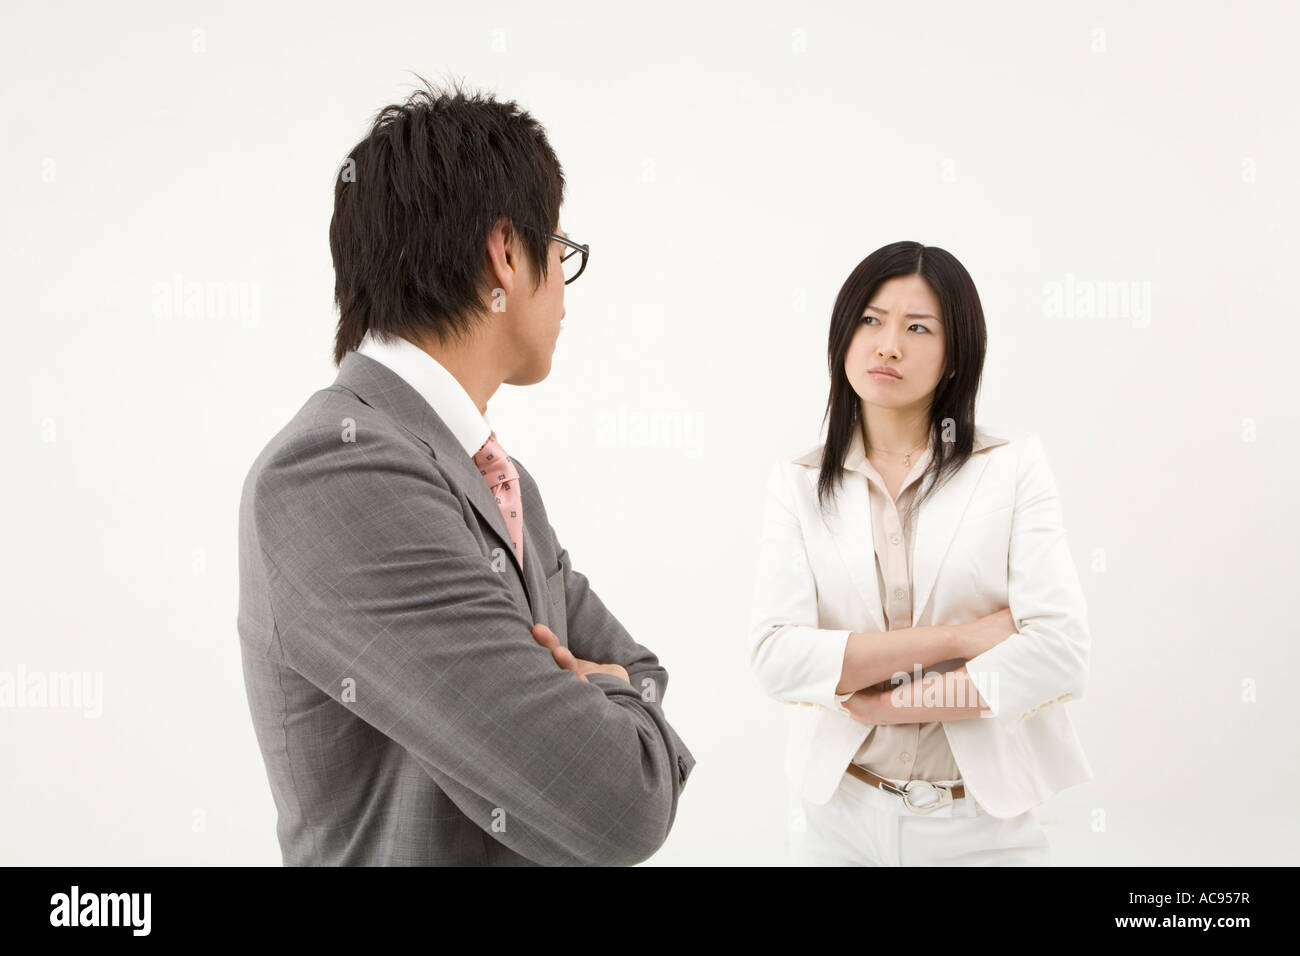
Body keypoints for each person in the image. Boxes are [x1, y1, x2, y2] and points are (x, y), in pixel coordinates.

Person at [237, 78, 695, 866]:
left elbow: (646, 672)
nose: (564, 290)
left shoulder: (499, 477)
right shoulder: (336, 469)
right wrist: (607, 696)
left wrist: (607, 689)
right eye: (561, 255)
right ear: (507, 254)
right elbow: (624, 799)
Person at [747, 240, 1092, 866]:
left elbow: (1059, 652)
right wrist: (960, 640)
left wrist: (888, 703)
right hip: (840, 821)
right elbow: (777, 656)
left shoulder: (1012, 468)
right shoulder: (796, 484)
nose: (888, 345)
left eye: (917, 328)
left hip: (982, 824)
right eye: (872, 320)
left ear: (956, 352)